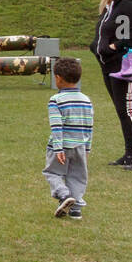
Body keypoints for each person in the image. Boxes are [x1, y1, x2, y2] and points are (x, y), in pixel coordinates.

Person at [90, 0, 132, 170]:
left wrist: (114, 47)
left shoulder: (129, 4)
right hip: (109, 66)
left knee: (127, 110)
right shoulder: (110, 6)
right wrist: (95, 47)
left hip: (125, 66)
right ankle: (128, 154)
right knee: (121, 110)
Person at [43, 57, 92, 220]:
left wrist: (58, 148)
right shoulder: (86, 100)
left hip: (61, 146)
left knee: (52, 173)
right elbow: (89, 126)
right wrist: (87, 148)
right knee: (77, 176)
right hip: (80, 146)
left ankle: (64, 195)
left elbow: (57, 126)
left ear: (58, 78)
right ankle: (76, 209)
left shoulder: (55, 100)